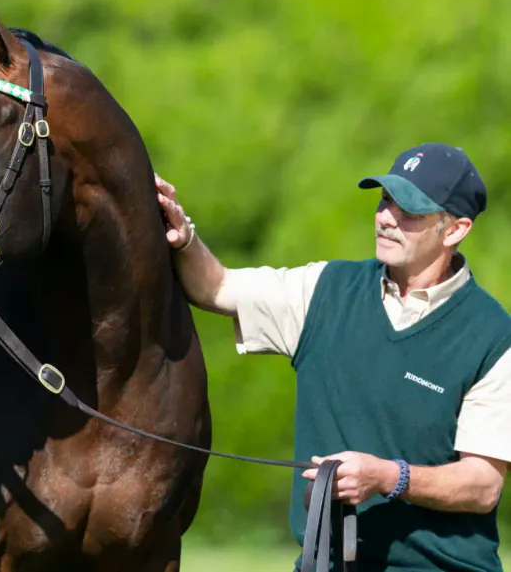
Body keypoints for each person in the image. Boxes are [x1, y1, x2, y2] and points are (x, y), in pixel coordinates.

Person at [156, 142, 511, 571]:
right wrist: (181, 233)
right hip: (323, 564)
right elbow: (217, 287)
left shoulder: (493, 335)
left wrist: (388, 477)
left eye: (410, 211)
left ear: (455, 230)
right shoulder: (325, 288)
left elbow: (482, 485)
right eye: (385, 200)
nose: (386, 218)